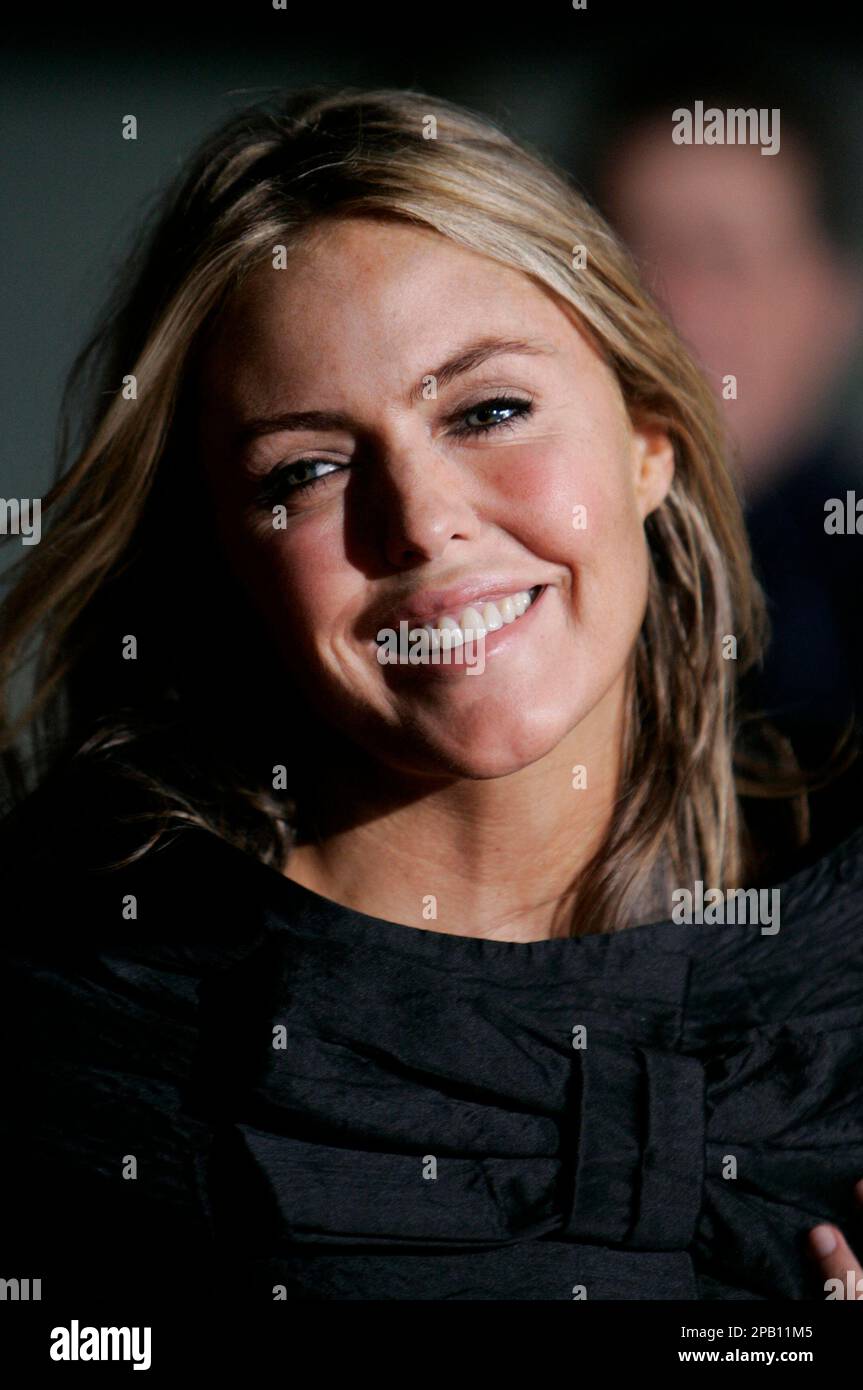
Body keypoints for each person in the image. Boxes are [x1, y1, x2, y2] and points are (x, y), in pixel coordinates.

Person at [1, 85, 862, 1303]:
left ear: (649, 442)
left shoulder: (836, 948)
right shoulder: (77, 1025)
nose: (420, 520)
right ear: (219, 559)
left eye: (489, 409)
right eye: (305, 469)